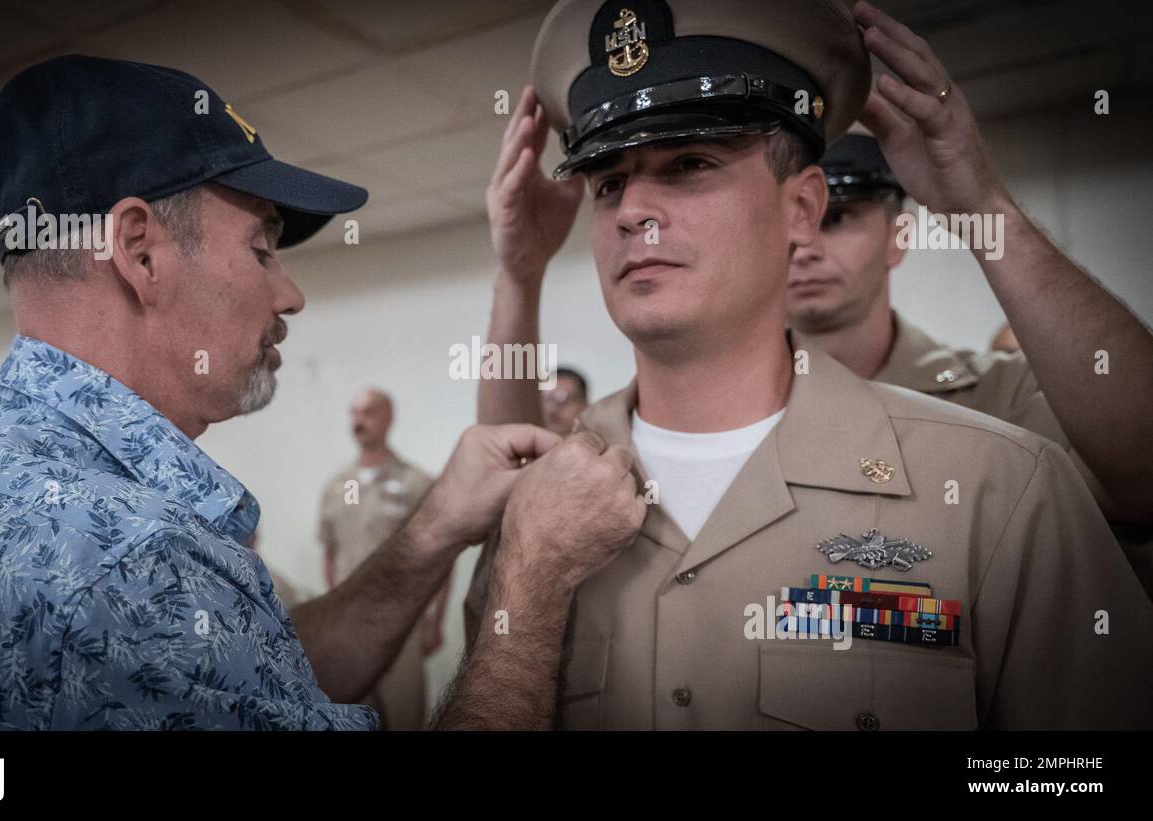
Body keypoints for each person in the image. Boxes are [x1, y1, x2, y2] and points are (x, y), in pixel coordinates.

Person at [0, 54, 646, 731]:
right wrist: (535, 571)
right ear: (140, 252)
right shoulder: (130, 560)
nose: (291, 293)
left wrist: (433, 527)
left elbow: (258, 677)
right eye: (263, 248)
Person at [465, 0, 1152, 729]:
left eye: (690, 163)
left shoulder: (997, 490)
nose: (634, 208)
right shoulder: (543, 508)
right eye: (606, 182)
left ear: (802, 207)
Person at [791, 129, 1153, 592]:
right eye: (790, 222)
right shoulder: (712, 414)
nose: (806, 249)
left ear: (898, 237)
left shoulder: (1006, 400)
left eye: (837, 217)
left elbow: (1143, 469)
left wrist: (984, 207)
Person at [318, 388, 441, 730]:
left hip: (401, 624)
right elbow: (330, 554)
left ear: (389, 418)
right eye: (354, 412)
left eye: (369, 412)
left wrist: (434, 620)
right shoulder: (336, 486)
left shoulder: (416, 483)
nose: (359, 420)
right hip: (347, 631)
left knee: (403, 716)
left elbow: (438, 557)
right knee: (348, 718)